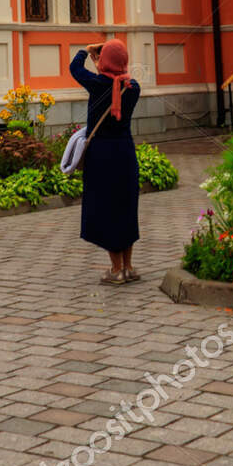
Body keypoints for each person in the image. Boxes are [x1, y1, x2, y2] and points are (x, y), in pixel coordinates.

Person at [69, 40, 141, 286]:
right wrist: (103, 63)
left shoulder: (97, 84)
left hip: (102, 154)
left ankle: (115, 270)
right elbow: (114, 77)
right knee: (125, 208)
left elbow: (74, 68)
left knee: (107, 209)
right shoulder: (133, 87)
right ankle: (129, 268)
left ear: (104, 62)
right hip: (125, 153)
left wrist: (86, 50)